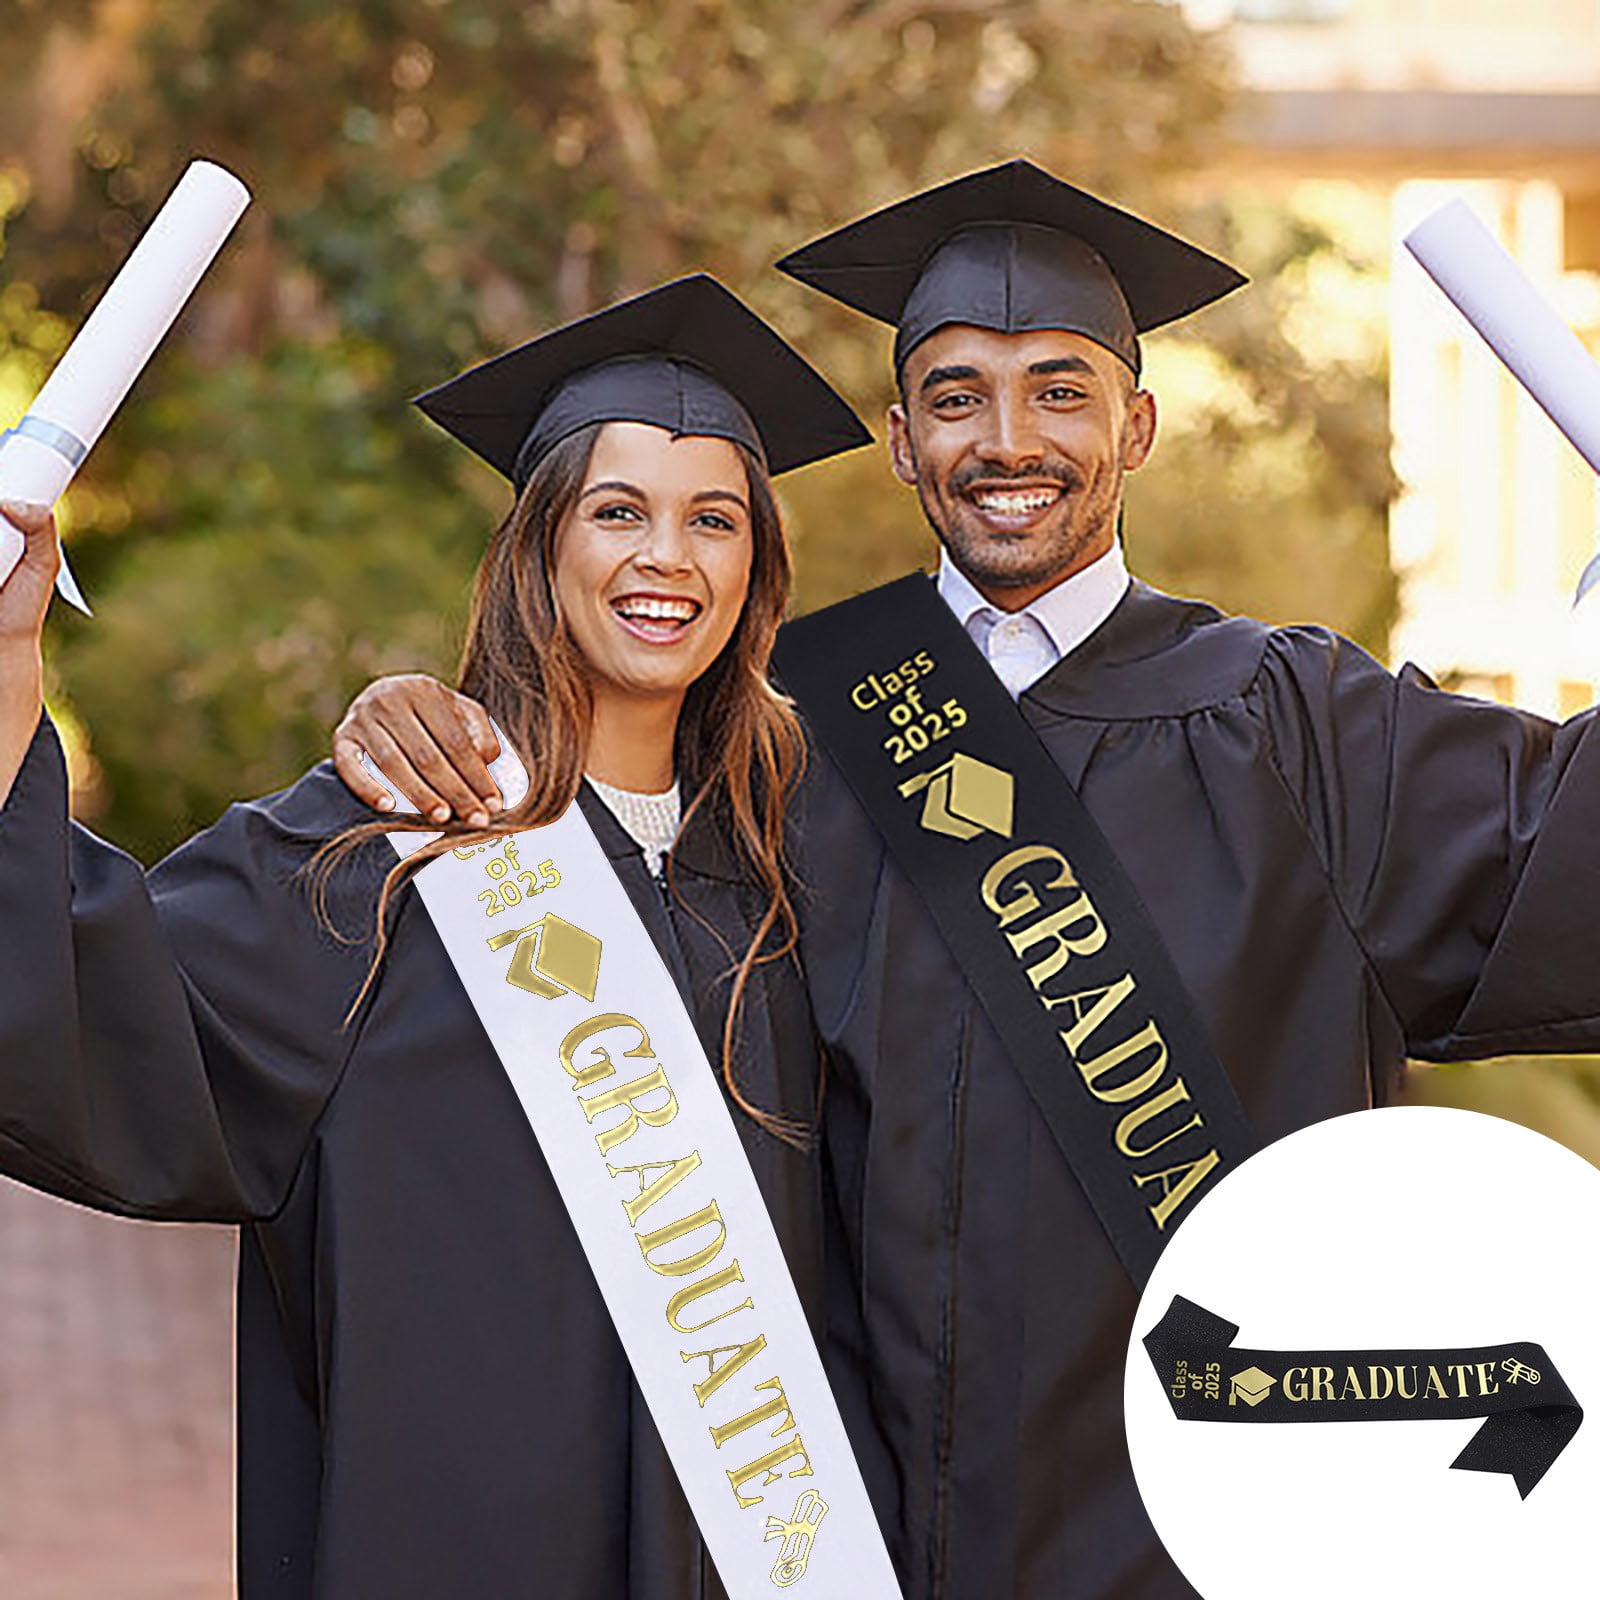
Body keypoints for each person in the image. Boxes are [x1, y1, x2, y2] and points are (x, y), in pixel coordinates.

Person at [330, 162, 1600, 1599]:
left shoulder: (1296, 725)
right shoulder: (787, 751)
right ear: (898, 440)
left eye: (1060, 390)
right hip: (856, 1536)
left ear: (1138, 426)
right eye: (955, 396)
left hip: (1208, 1535)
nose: (1009, 440)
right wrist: (406, 713)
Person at [0, 274, 884, 1599]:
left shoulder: (797, 875)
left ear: (756, 569)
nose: (668, 558)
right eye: (618, 511)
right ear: (539, 549)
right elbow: (97, 1003)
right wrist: (11, 658)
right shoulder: (388, 846)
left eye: (714, 520)